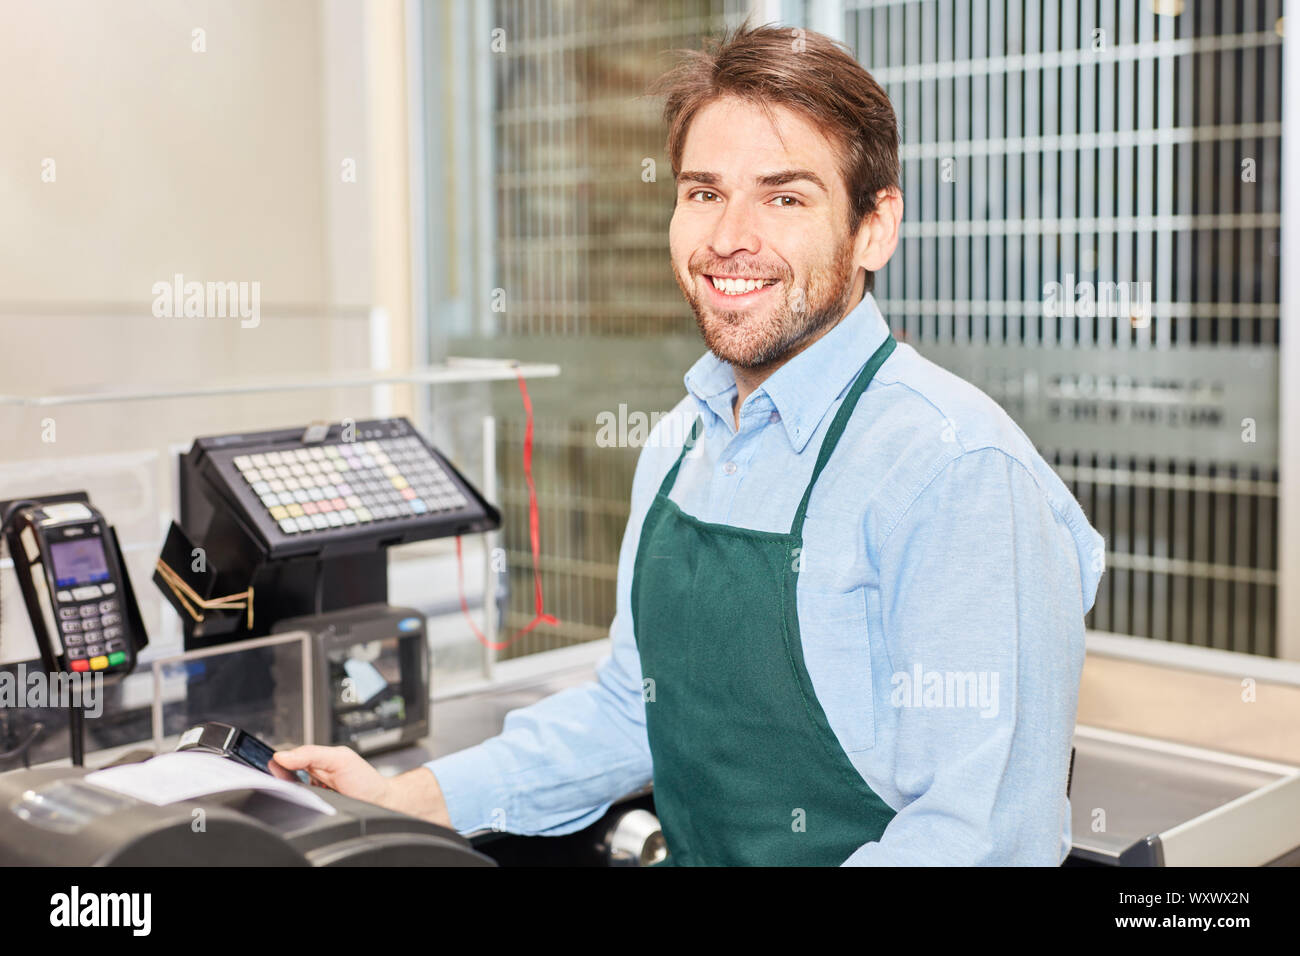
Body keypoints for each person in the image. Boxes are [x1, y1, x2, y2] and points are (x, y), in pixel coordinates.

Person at [273, 22, 1105, 866]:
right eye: (704, 192)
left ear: (873, 228)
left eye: (785, 197)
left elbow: (980, 839)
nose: (728, 237)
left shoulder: (955, 470)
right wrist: (405, 799)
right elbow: (634, 711)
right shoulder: (681, 443)